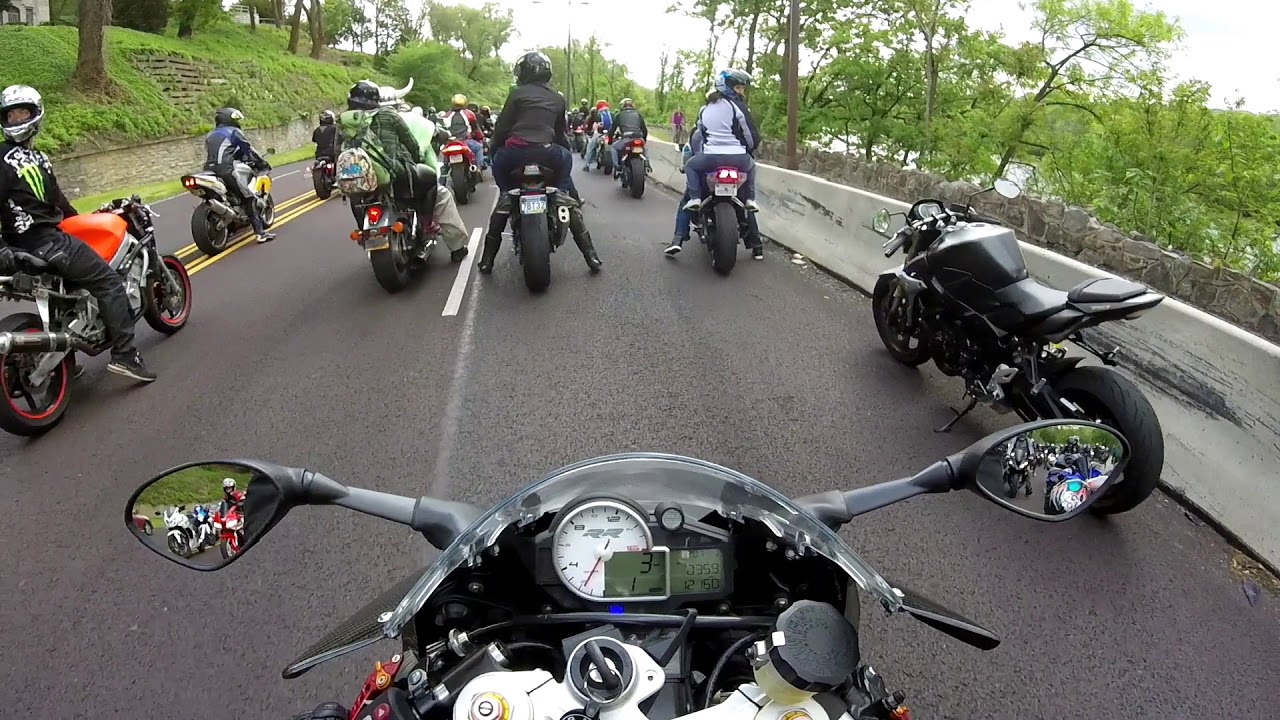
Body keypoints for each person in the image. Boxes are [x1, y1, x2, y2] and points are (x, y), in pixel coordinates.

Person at [0, 85, 156, 382]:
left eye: (22, 113)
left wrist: (88, 221)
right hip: (45, 242)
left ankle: (63, 360)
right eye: (11, 114)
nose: (17, 119)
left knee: (70, 294)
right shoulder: (15, 160)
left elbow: (59, 204)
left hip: (26, 247)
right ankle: (126, 355)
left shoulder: (38, 159)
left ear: (34, 115)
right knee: (109, 282)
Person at [479, 51, 601, 275]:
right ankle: (591, 256)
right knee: (567, 193)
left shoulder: (516, 94)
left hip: (514, 153)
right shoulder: (557, 98)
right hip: (547, 153)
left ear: (523, 72)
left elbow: (502, 129)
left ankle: (488, 259)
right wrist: (562, 155)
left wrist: (494, 152)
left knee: (502, 198)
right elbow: (560, 135)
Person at [342, 80, 443, 258]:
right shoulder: (389, 115)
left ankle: (363, 231)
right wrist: (417, 157)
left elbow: (338, 149)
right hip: (396, 170)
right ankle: (426, 224)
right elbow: (409, 141)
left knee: (356, 198)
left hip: (361, 176)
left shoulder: (345, 120)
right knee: (430, 179)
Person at [664, 85, 764, 260]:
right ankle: (756, 246)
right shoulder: (735, 119)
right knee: (744, 202)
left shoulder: (700, 129)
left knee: (687, 200)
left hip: (708, 173)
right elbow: (751, 138)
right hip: (738, 164)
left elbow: (691, 157)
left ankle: (677, 239)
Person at [441, 95, 486, 169]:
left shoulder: (447, 115)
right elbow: (475, 128)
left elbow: (443, 128)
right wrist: (479, 136)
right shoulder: (469, 113)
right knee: (479, 148)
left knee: (445, 156)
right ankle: (479, 167)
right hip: (465, 141)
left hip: (450, 142)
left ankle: (444, 170)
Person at [607, 97, 649, 178]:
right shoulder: (638, 115)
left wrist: (610, 140)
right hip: (638, 138)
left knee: (613, 148)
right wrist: (644, 140)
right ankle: (647, 165)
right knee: (645, 149)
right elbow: (645, 130)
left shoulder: (619, 115)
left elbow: (612, 130)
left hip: (626, 139)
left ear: (623, 106)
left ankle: (617, 167)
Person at [583, 100, 612, 168]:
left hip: (600, 134)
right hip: (609, 134)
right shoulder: (611, 114)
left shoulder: (597, 115)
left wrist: (595, 133)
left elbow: (594, 125)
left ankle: (587, 165)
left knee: (590, 147)